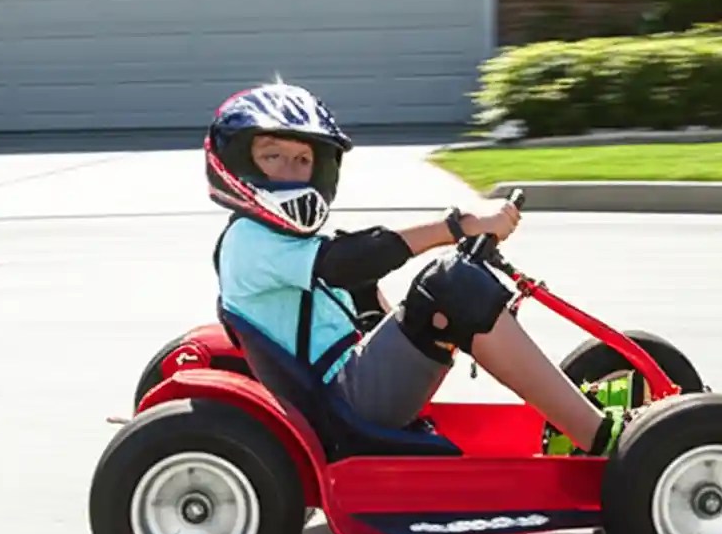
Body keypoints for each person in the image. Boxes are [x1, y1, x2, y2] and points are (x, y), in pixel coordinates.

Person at [206, 81, 621, 455]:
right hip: (348, 403)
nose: (292, 172)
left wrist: (427, 331)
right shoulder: (248, 241)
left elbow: (358, 275)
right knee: (450, 286)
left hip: (353, 387)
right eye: (272, 156)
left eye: (303, 160)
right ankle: (604, 442)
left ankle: (574, 414)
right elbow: (349, 260)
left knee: (429, 291)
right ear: (238, 163)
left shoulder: (281, 243)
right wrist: (458, 227)